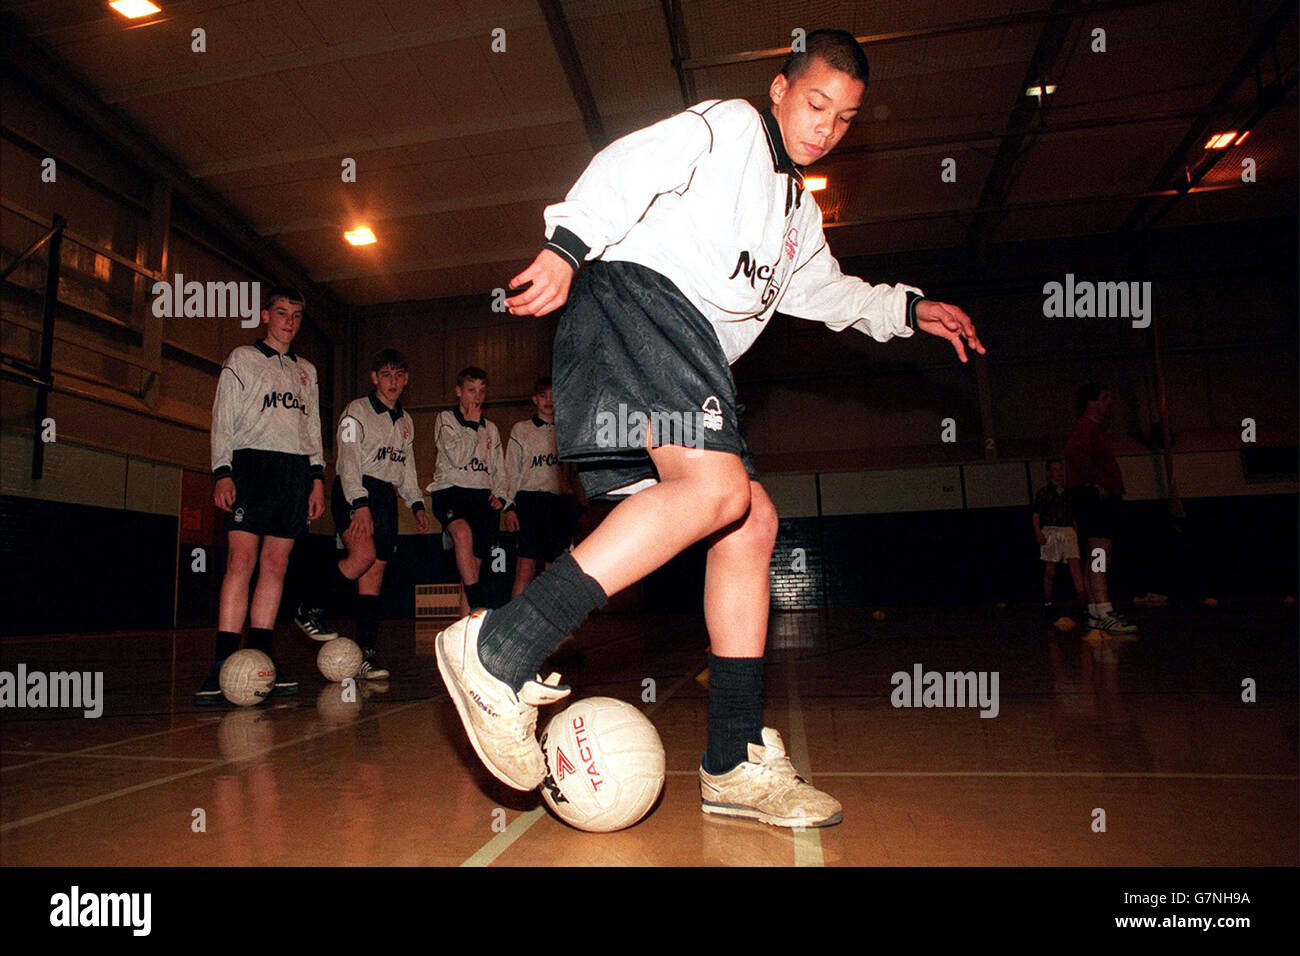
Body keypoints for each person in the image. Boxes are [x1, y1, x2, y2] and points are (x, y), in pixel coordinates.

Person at [435, 30, 984, 827]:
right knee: (720, 487)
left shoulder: (797, 212)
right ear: (780, 89)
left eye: (845, 118)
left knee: (749, 518)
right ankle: (499, 649)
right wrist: (566, 242)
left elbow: (829, 293)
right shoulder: (728, 126)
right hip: (641, 305)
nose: (825, 128)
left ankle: (729, 757)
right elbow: (632, 163)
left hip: (678, 355)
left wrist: (907, 308)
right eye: (815, 103)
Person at [196, 286, 326, 705]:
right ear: (266, 315)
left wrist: (317, 479)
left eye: (297, 315)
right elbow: (223, 419)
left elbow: (313, 430)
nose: (289, 321)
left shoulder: (307, 371)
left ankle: (262, 658)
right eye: (282, 313)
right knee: (240, 561)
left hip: (293, 474)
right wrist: (223, 472)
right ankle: (220, 664)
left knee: (275, 566)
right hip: (251, 469)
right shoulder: (242, 360)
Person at [328, 348, 430, 679]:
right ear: (374, 378)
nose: (393, 382)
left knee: (374, 576)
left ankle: (367, 653)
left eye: (399, 375)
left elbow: (407, 468)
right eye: (386, 375)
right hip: (355, 489)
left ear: (407, 379)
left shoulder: (406, 421)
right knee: (363, 557)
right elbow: (348, 460)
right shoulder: (355, 411)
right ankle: (310, 602)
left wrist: (415, 503)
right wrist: (359, 503)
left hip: (386, 496)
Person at [427, 366, 507, 616]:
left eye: (482, 391)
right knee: (461, 535)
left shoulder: (491, 429)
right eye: (471, 390)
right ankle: (478, 599)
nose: (477, 397)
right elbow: (459, 457)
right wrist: (471, 426)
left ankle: (466, 634)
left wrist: (501, 495)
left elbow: (499, 469)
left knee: (472, 569)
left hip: (480, 497)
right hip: (451, 491)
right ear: (459, 392)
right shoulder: (446, 419)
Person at [1064, 383, 1137, 633]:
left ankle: (1096, 612)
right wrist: (1097, 480)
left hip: (1095, 496)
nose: (1110, 402)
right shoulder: (1086, 428)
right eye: (1105, 397)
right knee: (1099, 552)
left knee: (1096, 550)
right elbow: (1074, 453)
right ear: (1091, 403)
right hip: (1093, 497)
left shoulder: (1094, 429)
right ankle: (1105, 610)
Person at [503, 377, 578, 599]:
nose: (549, 401)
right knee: (525, 569)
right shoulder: (521, 430)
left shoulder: (566, 431)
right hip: (530, 503)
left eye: (554, 396)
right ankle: (515, 627)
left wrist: (576, 502)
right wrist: (509, 507)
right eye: (544, 395)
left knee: (554, 571)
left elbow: (573, 474)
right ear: (535, 399)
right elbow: (511, 470)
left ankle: (550, 629)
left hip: (558, 504)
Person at [1033, 457, 1086, 612]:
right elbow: (1036, 514)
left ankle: (1082, 600)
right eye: (1055, 469)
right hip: (1050, 531)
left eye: (1061, 469)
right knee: (1050, 569)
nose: (1059, 473)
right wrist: (1038, 532)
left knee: (1075, 565)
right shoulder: (1043, 492)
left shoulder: (1070, 492)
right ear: (1049, 473)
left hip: (1067, 529)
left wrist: (1075, 531)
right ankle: (1048, 599)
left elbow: (1073, 514)